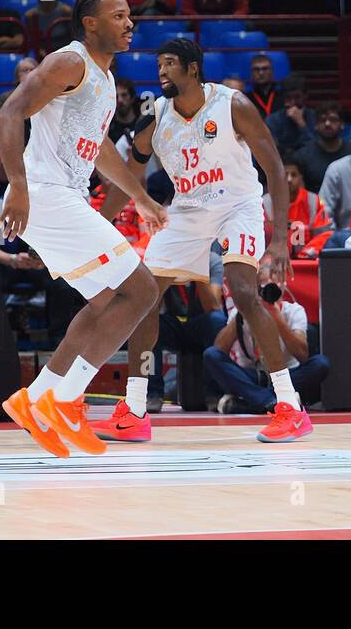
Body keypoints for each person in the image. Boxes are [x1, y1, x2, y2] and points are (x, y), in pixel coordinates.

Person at [93, 37, 308, 442]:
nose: (161, 72)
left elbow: (276, 169)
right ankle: (135, 411)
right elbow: (128, 175)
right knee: (142, 297)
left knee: (244, 293)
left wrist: (279, 242)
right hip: (188, 209)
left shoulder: (233, 105)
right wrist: (99, 223)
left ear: (193, 69)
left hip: (237, 206)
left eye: (169, 63)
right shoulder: (155, 116)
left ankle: (290, 407)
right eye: (158, 64)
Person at [0, 0, 171, 459]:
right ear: (90, 23)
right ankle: (68, 400)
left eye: (130, 15)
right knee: (142, 290)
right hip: (43, 196)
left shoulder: (104, 78)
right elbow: (8, 112)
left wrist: (142, 198)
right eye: (119, 16)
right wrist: (19, 186)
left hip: (61, 196)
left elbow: (100, 151)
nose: (130, 23)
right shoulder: (68, 62)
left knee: (106, 299)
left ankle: (34, 399)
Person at [206, 287, 330, 413]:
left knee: (320, 363)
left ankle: (254, 402)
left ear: (282, 285)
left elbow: (302, 355)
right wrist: (243, 312)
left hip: (287, 375)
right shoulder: (241, 310)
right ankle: (272, 401)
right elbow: (220, 349)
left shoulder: (294, 310)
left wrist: (277, 318)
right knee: (211, 355)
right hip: (252, 375)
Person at [294, 101, 348, 192]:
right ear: (316, 125)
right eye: (322, 120)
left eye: (333, 119)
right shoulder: (303, 156)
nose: (327, 124)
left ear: (342, 124)